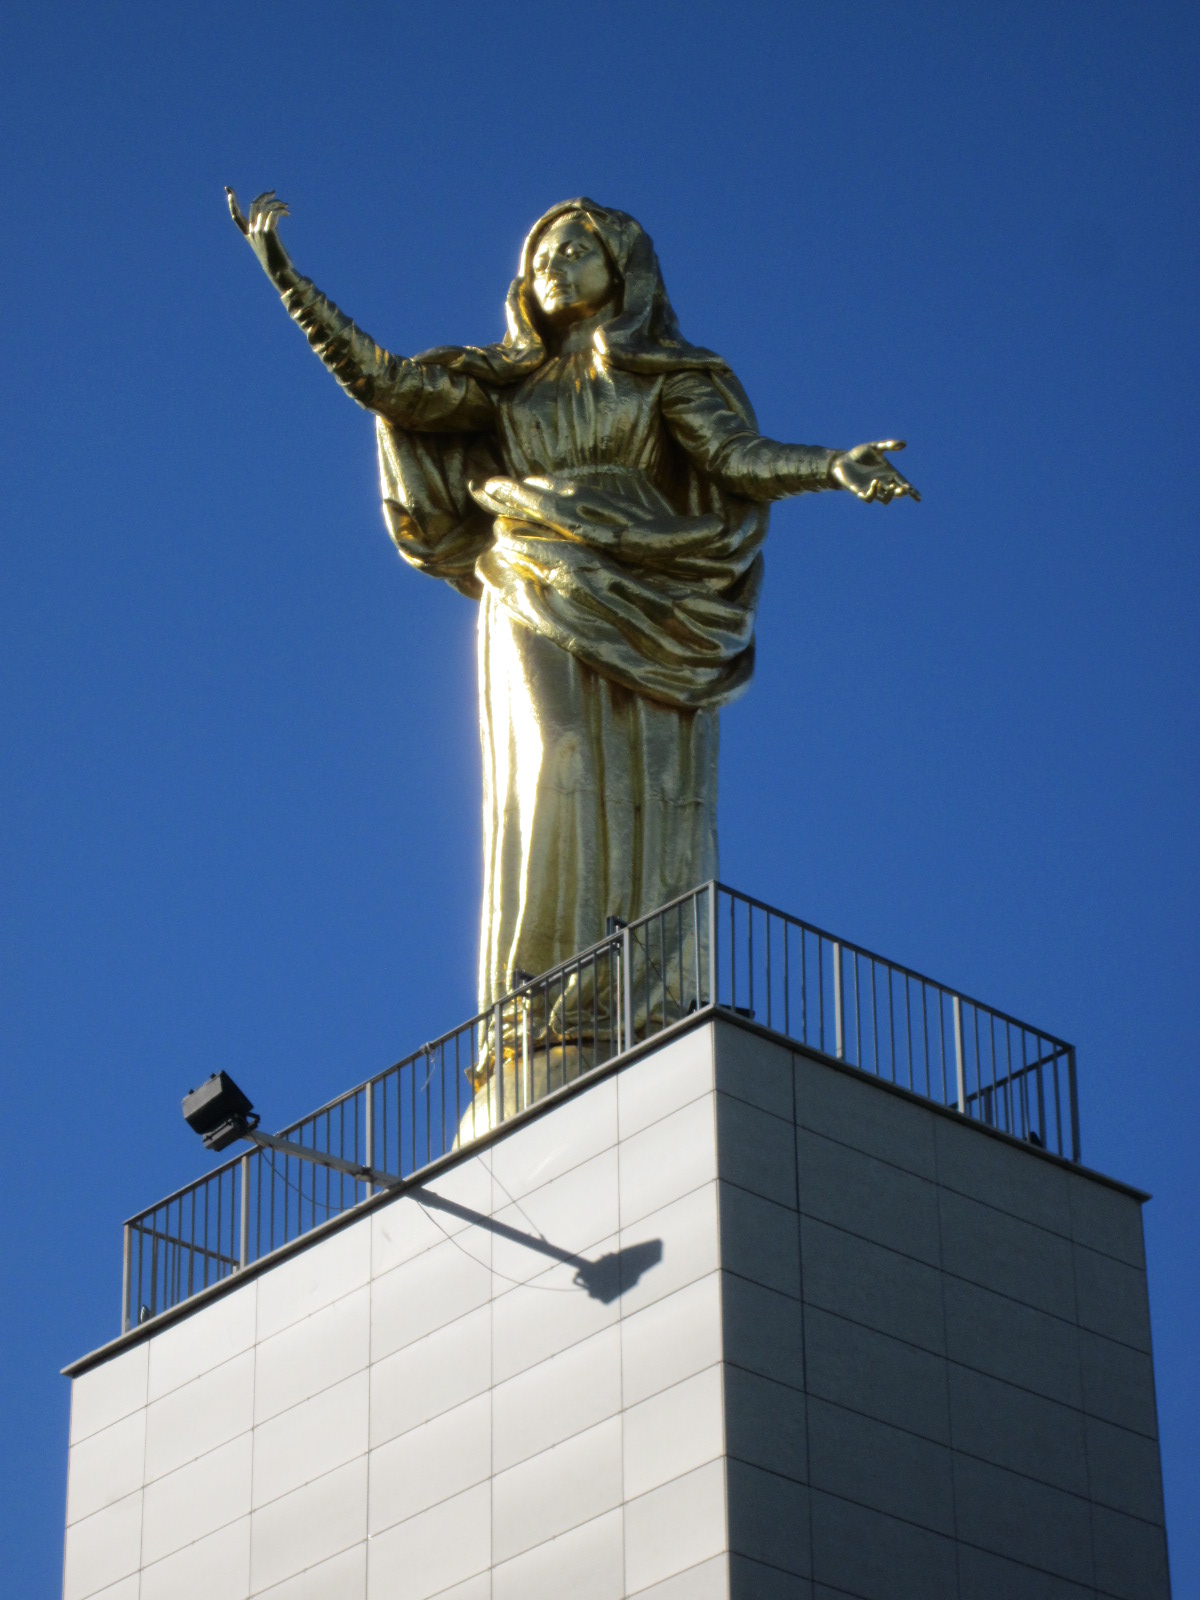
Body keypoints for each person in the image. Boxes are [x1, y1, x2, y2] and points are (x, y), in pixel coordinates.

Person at [227, 190, 918, 1071]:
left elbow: (734, 460)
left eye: (573, 254)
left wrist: (829, 466)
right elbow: (385, 382)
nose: (550, 268)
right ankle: (538, 1002)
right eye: (540, 257)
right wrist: (289, 279)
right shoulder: (502, 386)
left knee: (658, 787)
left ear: (621, 271)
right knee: (556, 759)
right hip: (531, 575)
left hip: (652, 586)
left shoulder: (667, 377)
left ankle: (644, 991)